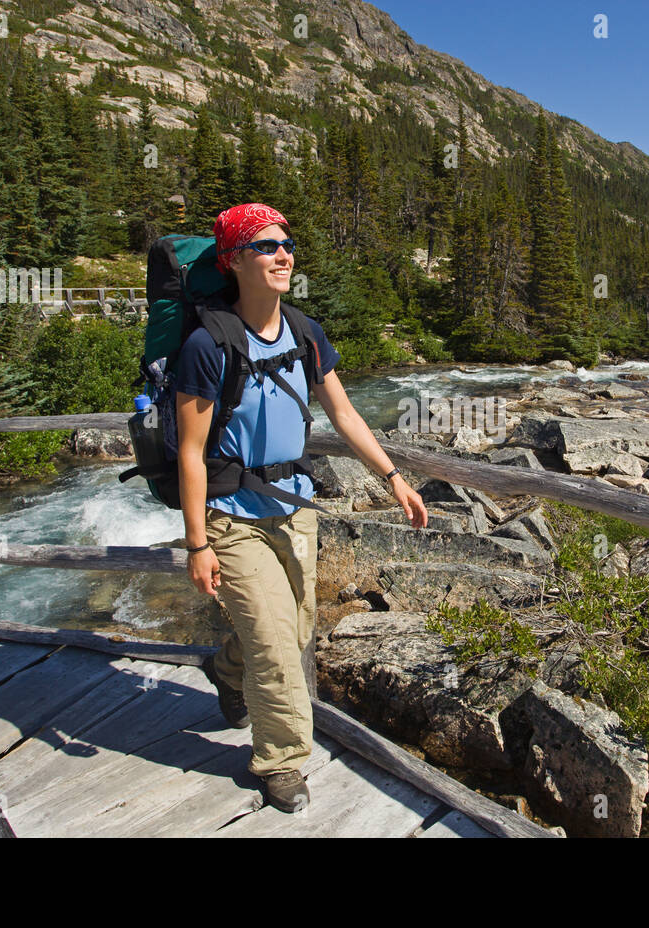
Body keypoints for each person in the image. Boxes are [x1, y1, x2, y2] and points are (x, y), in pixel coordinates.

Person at [172, 203, 428, 813]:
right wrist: (197, 544)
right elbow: (189, 450)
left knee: (299, 625)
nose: (283, 255)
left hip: (297, 507)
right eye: (265, 246)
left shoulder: (305, 333)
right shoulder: (208, 345)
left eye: (286, 244)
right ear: (235, 261)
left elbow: (343, 412)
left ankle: (227, 671)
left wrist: (393, 476)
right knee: (278, 646)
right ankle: (281, 762)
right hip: (231, 516)